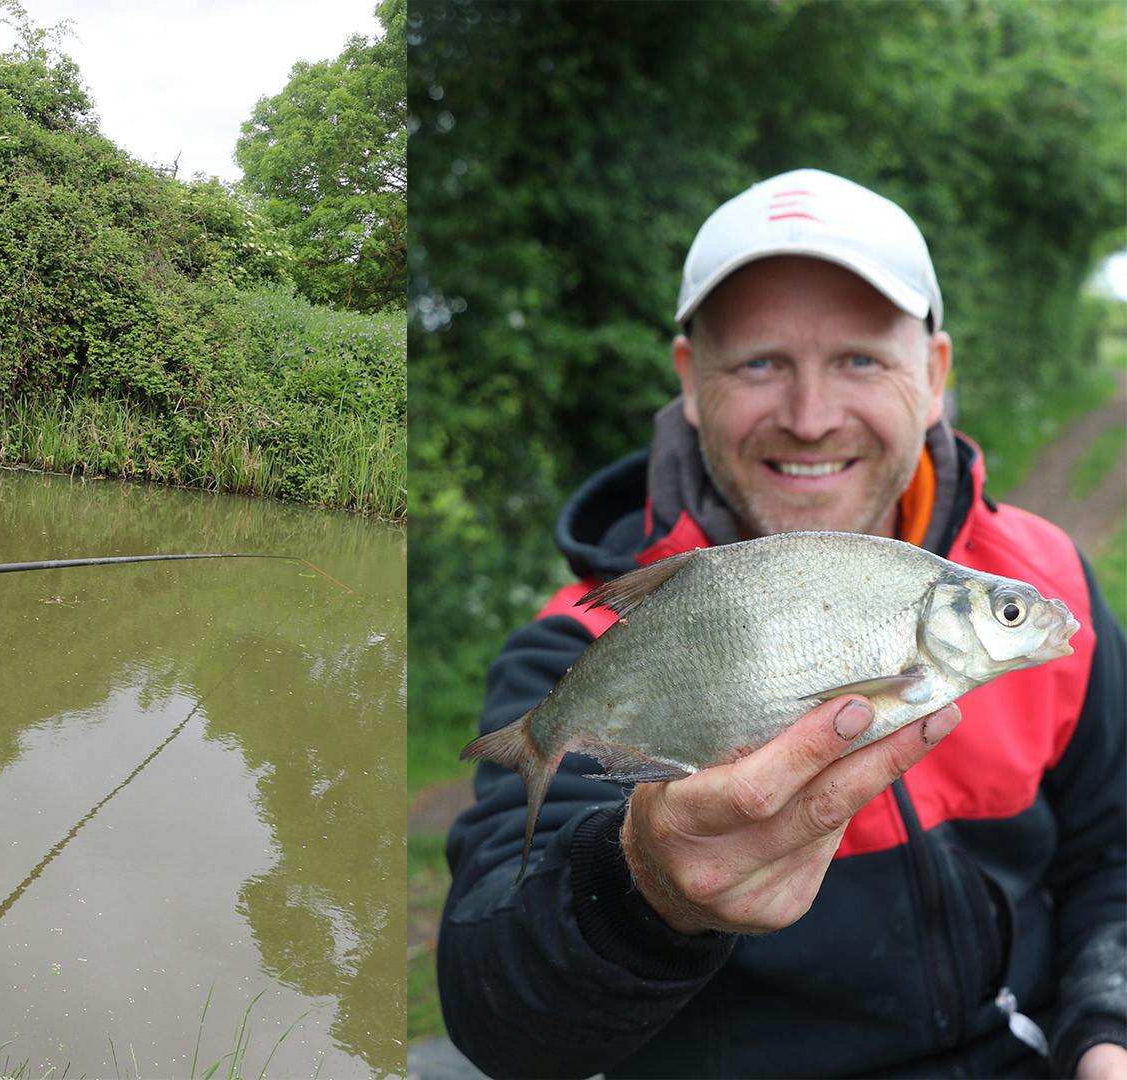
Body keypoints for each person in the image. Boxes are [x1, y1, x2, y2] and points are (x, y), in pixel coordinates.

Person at [439, 170, 1126, 1079]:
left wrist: (1105, 1031)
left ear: (934, 377)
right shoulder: (572, 650)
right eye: (760, 362)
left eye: (860, 360)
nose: (810, 418)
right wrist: (642, 887)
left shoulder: (1046, 580)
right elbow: (496, 1012)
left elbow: (1113, 857)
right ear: (691, 381)